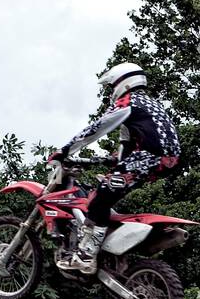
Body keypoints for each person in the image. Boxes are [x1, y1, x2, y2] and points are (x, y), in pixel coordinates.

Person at [50, 62, 181, 274]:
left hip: (149, 157)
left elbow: (97, 128)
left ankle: (86, 255)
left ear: (121, 82)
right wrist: (108, 161)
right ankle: (112, 247)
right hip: (166, 160)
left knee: (98, 199)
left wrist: (65, 150)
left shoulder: (128, 101)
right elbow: (126, 148)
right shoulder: (149, 104)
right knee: (108, 188)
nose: (111, 92)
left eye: (111, 86)